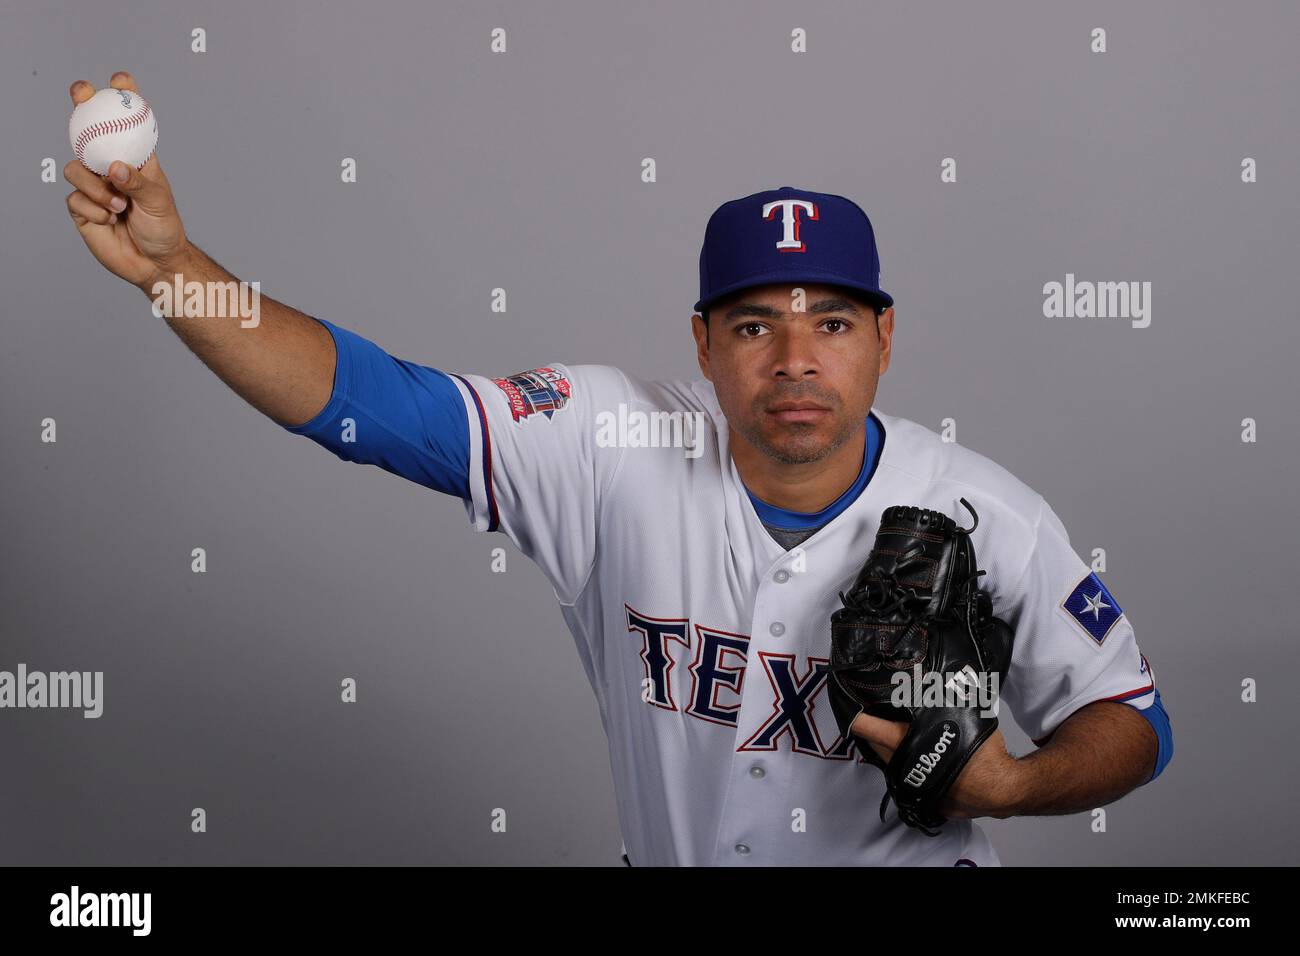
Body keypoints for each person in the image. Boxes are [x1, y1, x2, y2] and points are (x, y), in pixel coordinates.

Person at [64, 72, 1173, 867]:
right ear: (699, 343)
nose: (794, 359)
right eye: (752, 326)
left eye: (831, 322)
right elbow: (369, 404)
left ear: (886, 337)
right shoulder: (608, 442)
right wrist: (175, 272)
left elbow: (1133, 716)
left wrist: (1014, 786)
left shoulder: (988, 513)